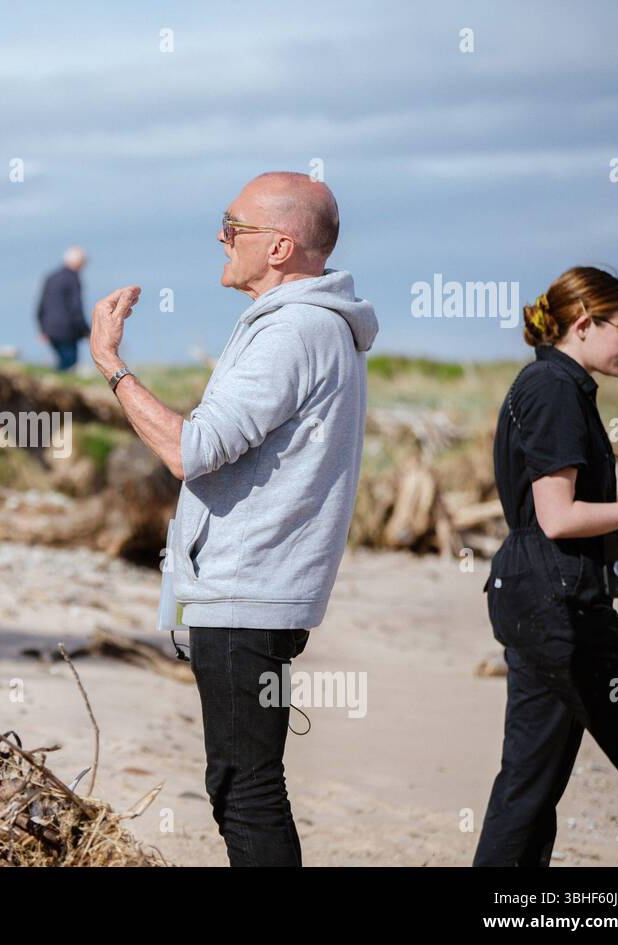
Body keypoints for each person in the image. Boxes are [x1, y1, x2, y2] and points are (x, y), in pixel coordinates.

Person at [89, 171, 377, 865]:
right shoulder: (313, 326)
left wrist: (110, 363)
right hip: (259, 591)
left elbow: (192, 451)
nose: (221, 237)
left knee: (244, 789)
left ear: (279, 247)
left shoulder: (294, 331)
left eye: (234, 226)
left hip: (245, 593)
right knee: (245, 782)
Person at [473, 266, 618, 867]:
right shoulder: (555, 389)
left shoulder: (549, 384)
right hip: (560, 611)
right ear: (584, 324)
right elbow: (557, 519)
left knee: (528, 789)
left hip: (537, 601)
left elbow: (549, 522)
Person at [37, 246, 90, 370]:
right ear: (79, 262)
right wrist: (86, 331)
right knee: (69, 364)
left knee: (62, 362)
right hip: (68, 330)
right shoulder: (73, 279)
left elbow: (41, 306)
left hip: (50, 328)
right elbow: (75, 309)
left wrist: (43, 329)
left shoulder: (51, 277)